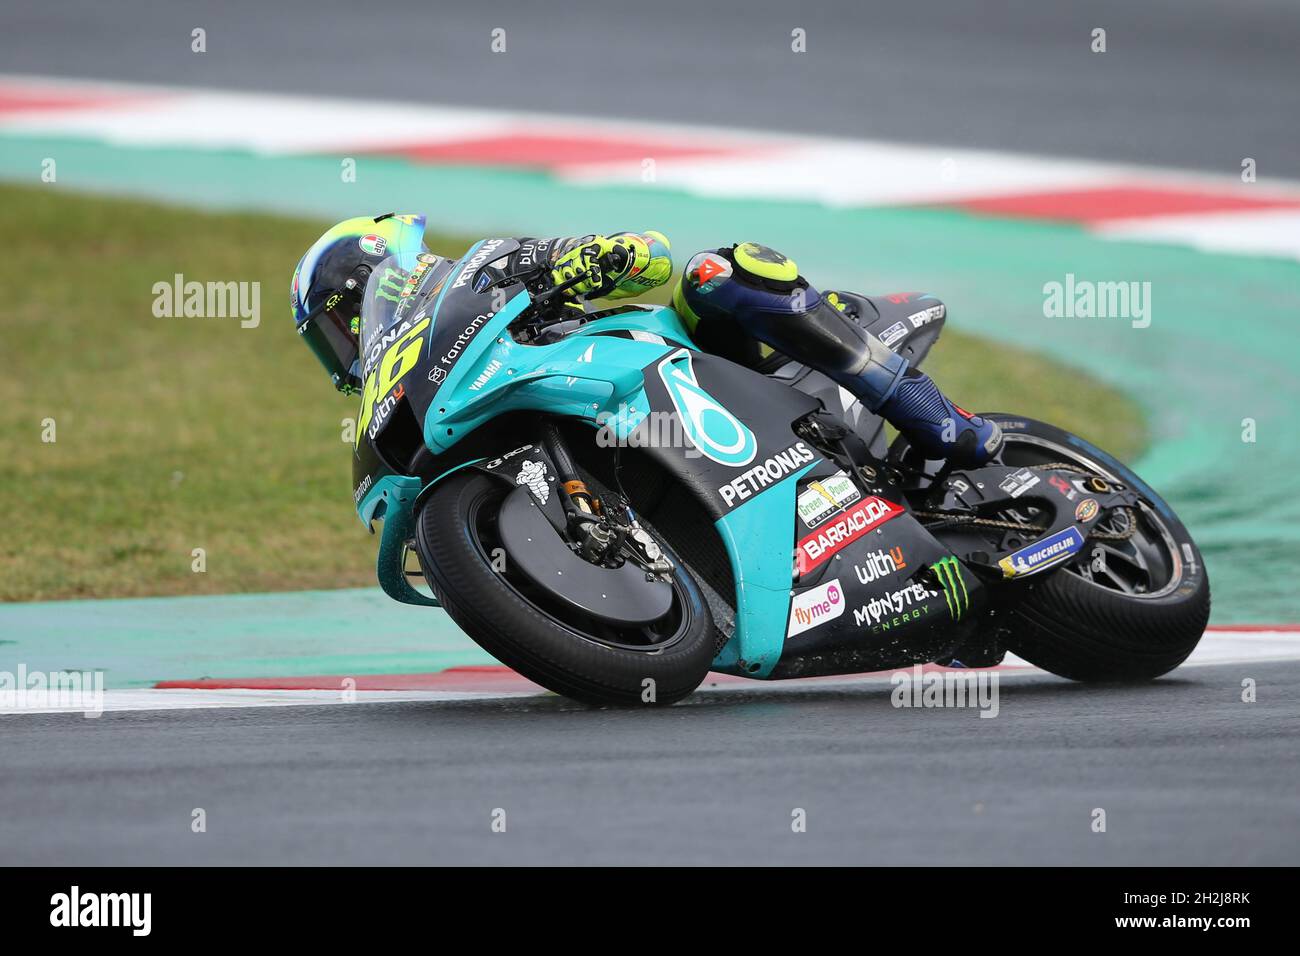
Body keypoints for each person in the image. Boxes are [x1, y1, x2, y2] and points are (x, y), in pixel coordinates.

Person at [292, 216, 1002, 467]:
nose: (345, 348)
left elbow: (648, 254)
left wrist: (594, 257)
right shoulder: (414, 389)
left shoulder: (485, 271)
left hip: (702, 365)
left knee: (719, 270)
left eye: (337, 325)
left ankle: (933, 414)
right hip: (649, 431)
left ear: (372, 287)